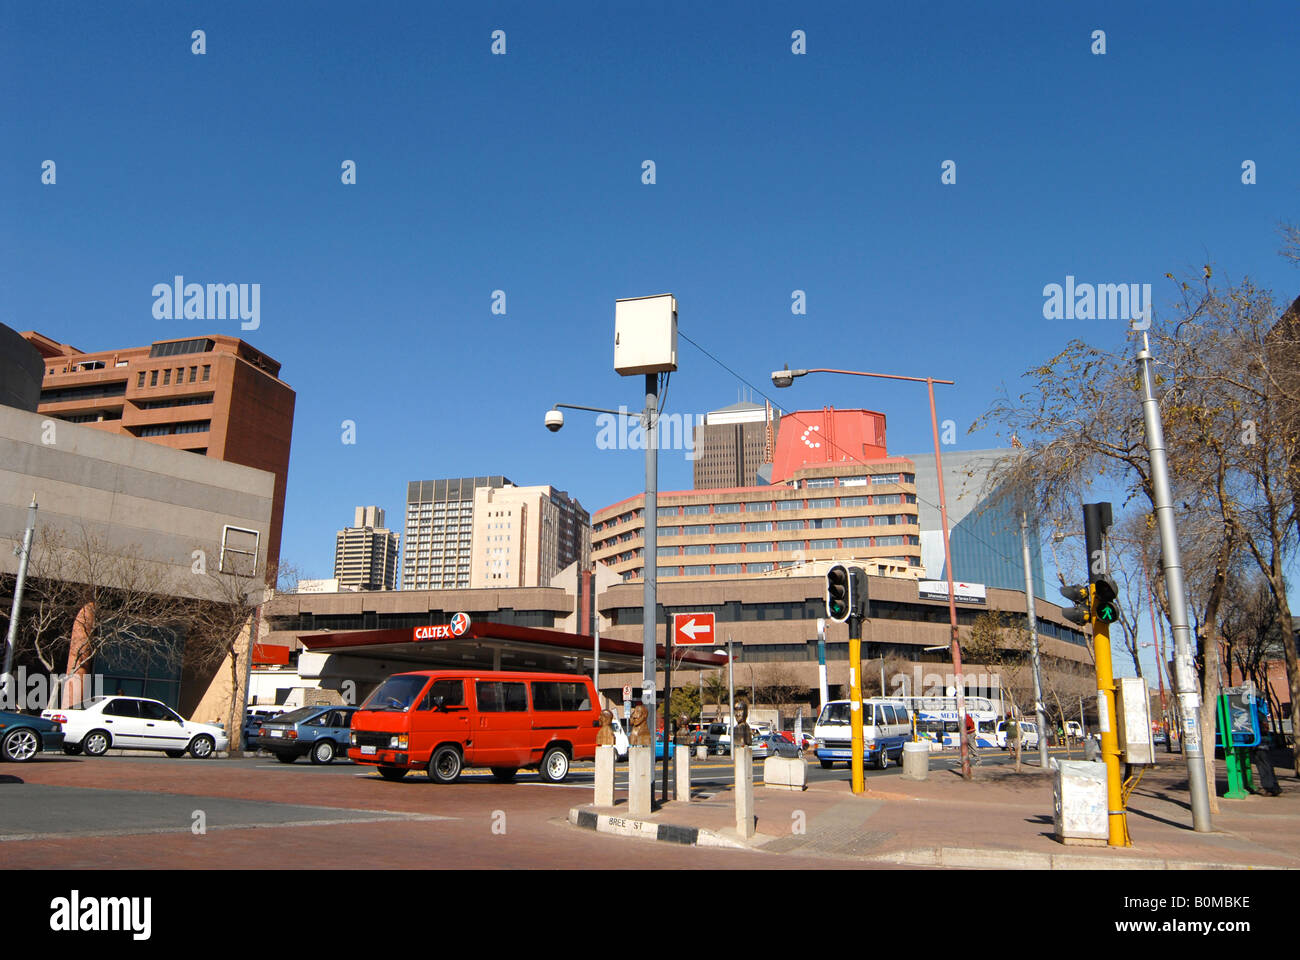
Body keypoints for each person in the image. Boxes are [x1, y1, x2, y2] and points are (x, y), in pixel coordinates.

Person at [1250, 700, 1281, 797]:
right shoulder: (1260, 714)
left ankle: (1269, 787)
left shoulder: (1254, 715)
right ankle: (1274, 786)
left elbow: (1264, 727)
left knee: (1263, 765)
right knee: (1267, 765)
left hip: (1259, 742)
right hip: (1263, 742)